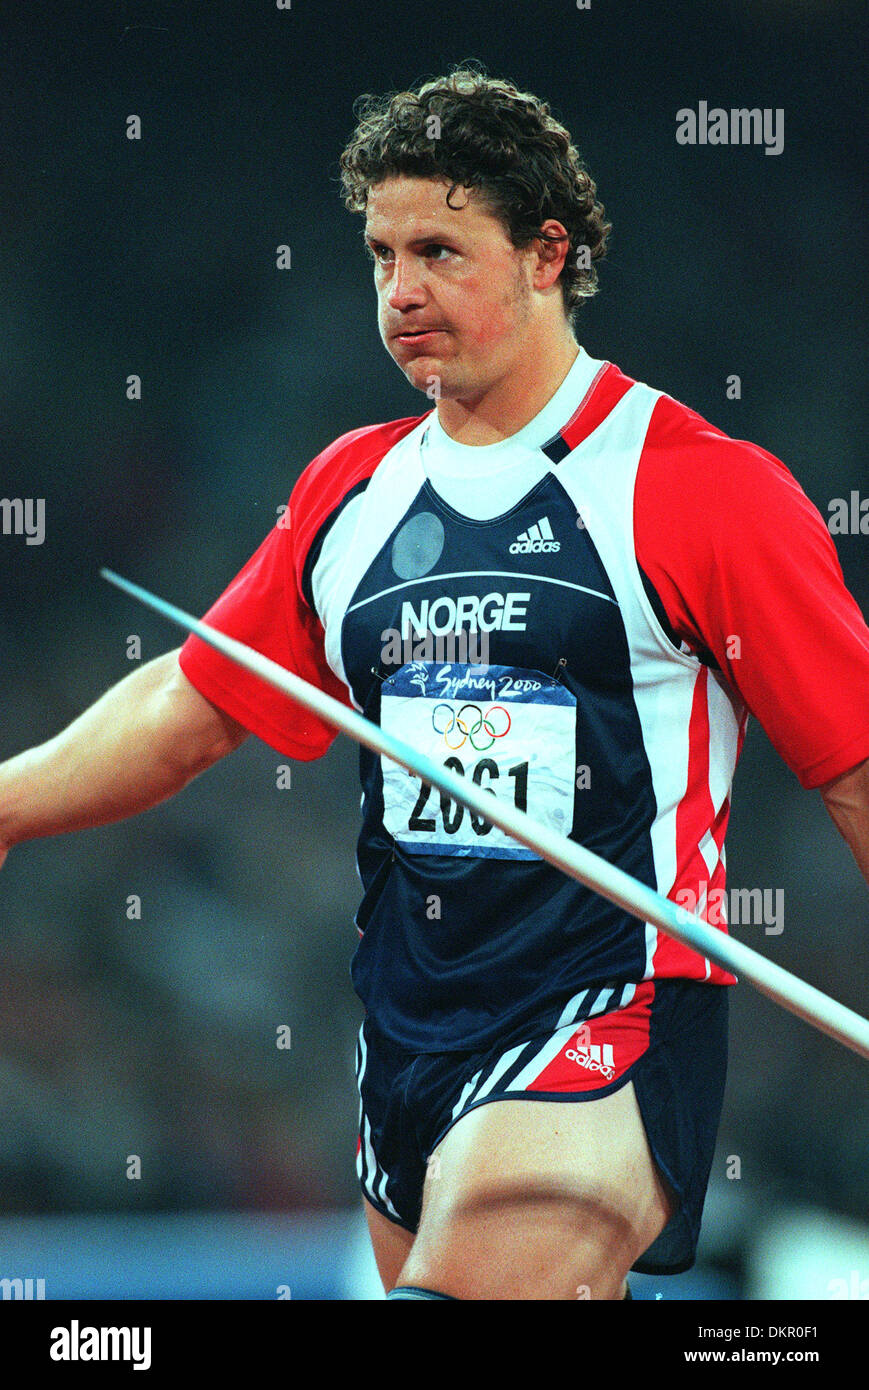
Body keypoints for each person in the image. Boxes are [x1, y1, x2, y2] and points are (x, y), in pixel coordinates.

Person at [2, 67, 867, 1301]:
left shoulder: (697, 488)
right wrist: (8, 803)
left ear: (543, 255)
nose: (400, 292)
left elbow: (852, 769)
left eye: (441, 252)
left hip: (607, 1021)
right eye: (380, 254)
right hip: (405, 1043)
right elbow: (186, 710)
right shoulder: (348, 493)